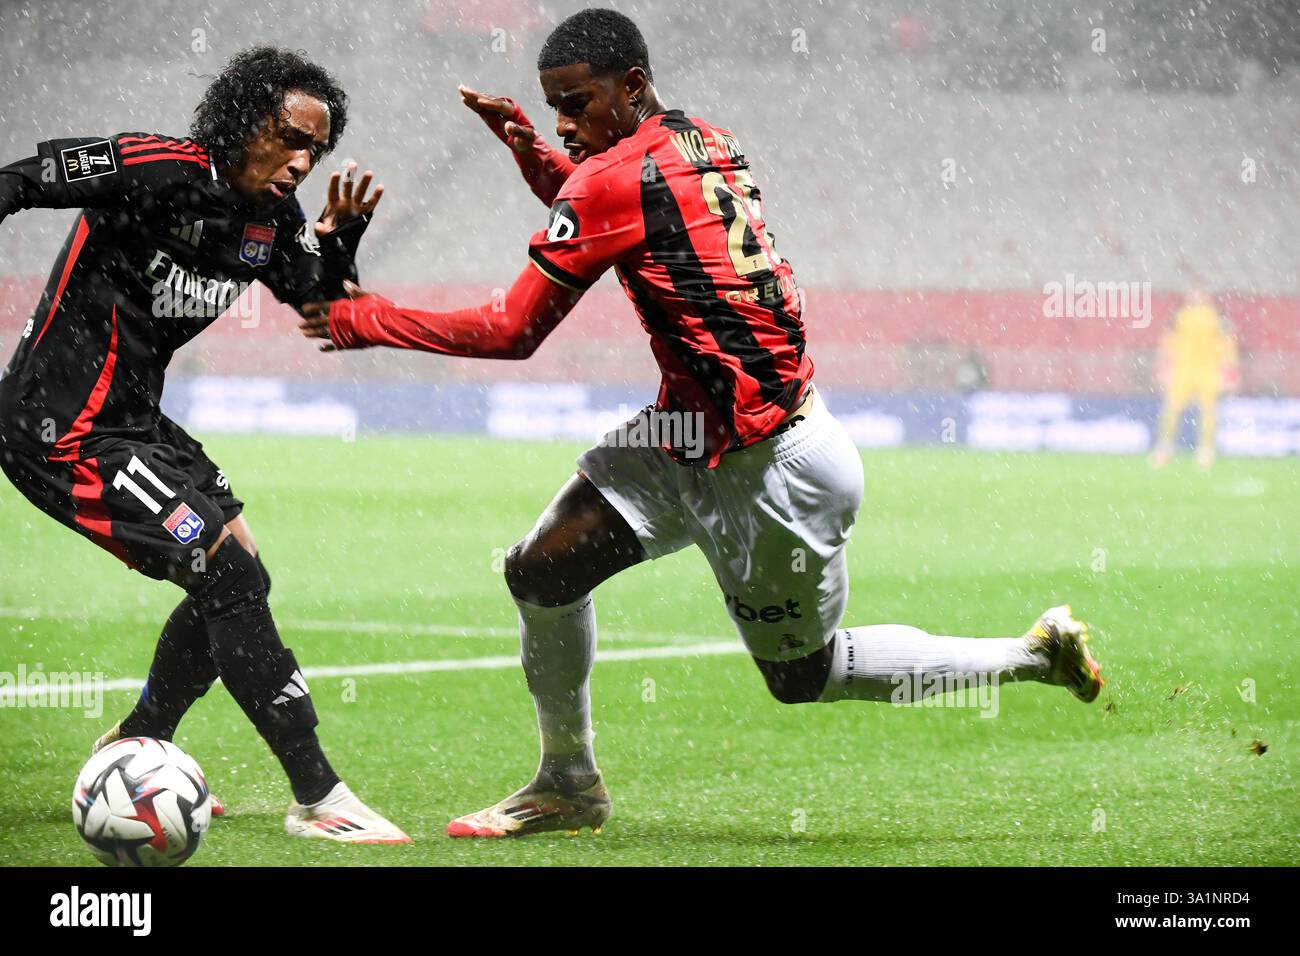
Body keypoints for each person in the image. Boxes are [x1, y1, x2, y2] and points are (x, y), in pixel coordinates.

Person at [301, 9, 1104, 838]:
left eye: (576, 105)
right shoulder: (702, 141)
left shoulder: (610, 180)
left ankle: (1032, 656)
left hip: (772, 469)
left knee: (802, 677)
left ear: (634, 86)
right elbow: (618, 213)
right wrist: (534, 154)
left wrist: (364, 321)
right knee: (541, 572)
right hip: (688, 435)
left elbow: (516, 330)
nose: (566, 125)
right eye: (554, 111)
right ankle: (568, 784)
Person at [0, 47, 408, 843]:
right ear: (240, 119)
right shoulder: (153, 168)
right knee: (227, 574)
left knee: (239, 568)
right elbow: (20, 180)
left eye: (314, 152)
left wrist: (344, 249)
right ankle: (319, 797)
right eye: (289, 138)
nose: (301, 162)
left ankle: (135, 742)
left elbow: (321, 307)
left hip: (136, 423)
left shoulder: (271, 222)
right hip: (60, 428)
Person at [1150, 285, 1239, 470]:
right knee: (1172, 409)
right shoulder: (1181, 316)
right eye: (1194, 293)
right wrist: (1164, 367)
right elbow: (1168, 342)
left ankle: (1205, 451)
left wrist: (1229, 371)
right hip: (1183, 369)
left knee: (1207, 412)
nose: (1196, 296)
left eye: (1200, 293)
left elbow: (1228, 343)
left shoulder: (1216, 316)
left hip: (1208, 369)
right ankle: (1165, 448)